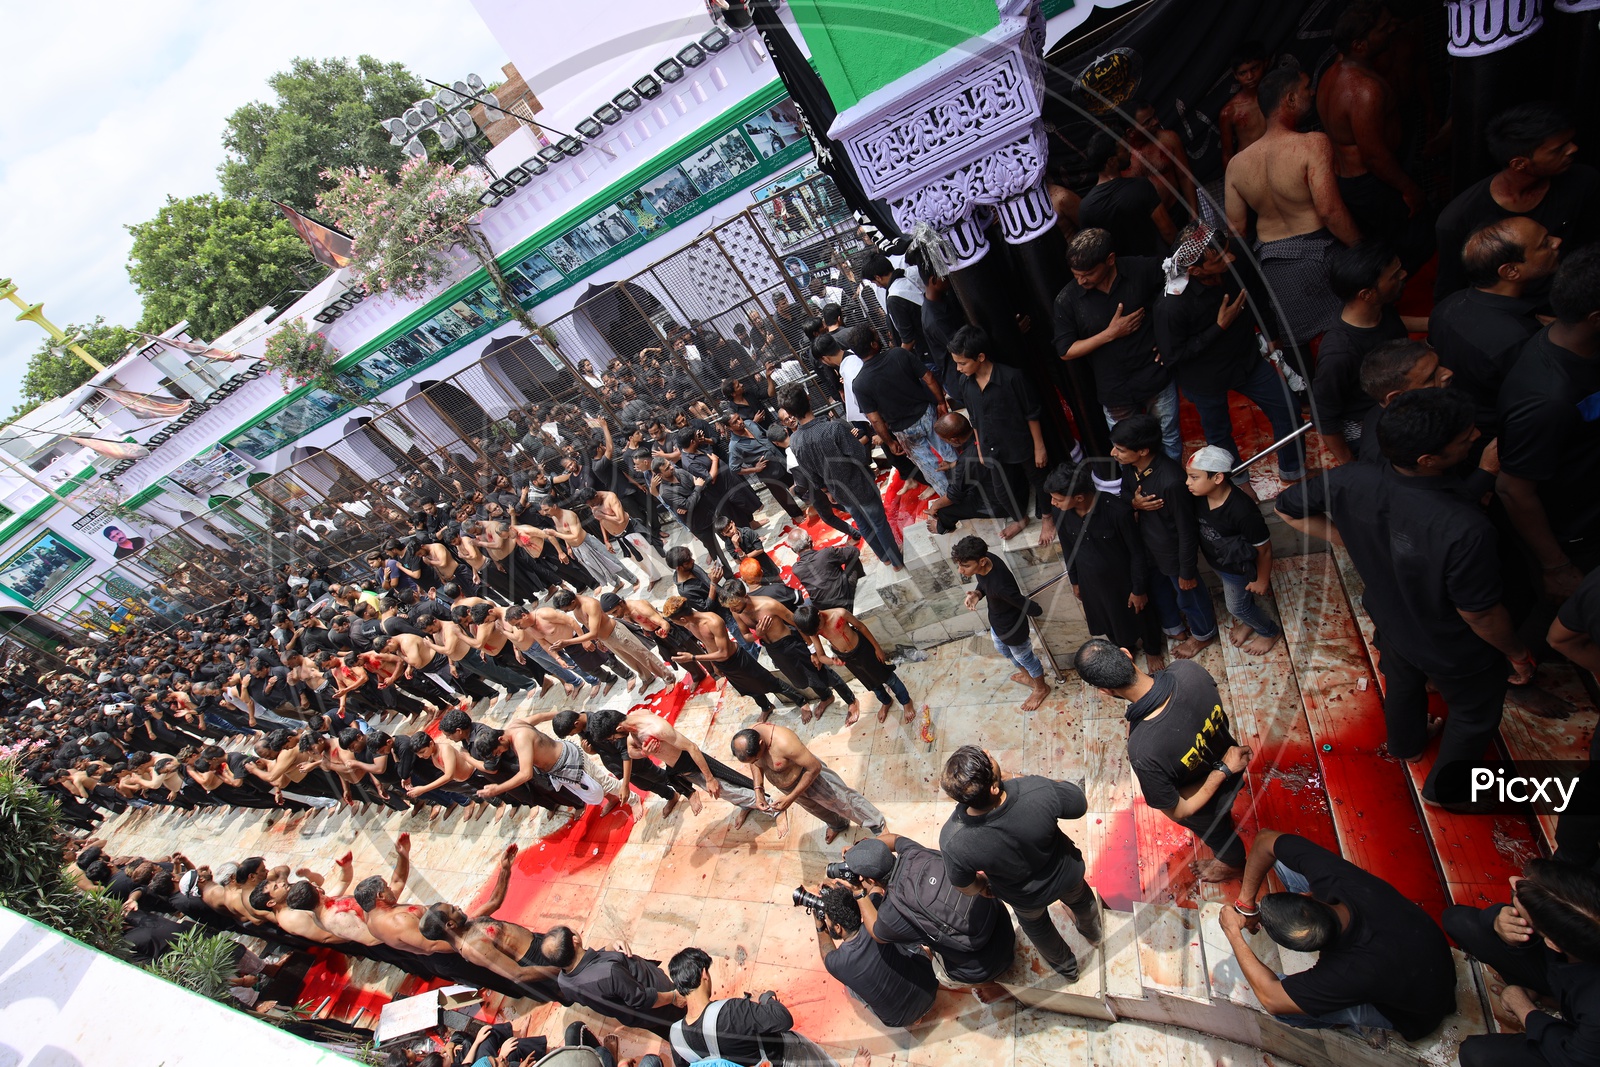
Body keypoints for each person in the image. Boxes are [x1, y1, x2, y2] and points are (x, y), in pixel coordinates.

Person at [1276, 389, 1536, 803]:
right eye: (1464, 438)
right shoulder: (1467, 530)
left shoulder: (1350, 478)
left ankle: (1405, 745)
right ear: (1428, 460)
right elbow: (1480, 614)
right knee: (1472, 717)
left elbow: (1286, 508)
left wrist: (1349, 539)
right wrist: (1518, 653)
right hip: (1454, 648)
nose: (1475, 437)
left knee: (1402, 683)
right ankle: (1442, 791)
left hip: (1391, 622)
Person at [1220, 829, 1456, 1040]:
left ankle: (1346, 1023)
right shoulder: (1335, 878)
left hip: (1419, 1012)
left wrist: (1233, 933)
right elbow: (1265, 840)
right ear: (1308, 896)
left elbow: (1271, 1000)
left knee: (1287, 1012)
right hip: (1428, 949)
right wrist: (1246, 904)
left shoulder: (1346, 972)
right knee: (1282, 859)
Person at [1074, 638, 1252, 881]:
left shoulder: (1144, 748)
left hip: (1207, 801)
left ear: (1105, 691)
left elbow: (1178, 811)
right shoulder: (1188, 670)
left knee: (1219, 835)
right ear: (1127, 654)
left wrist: (1222, 771)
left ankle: (1232, 864)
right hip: (1235, 759)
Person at [1152, 220, 1304, 483]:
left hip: (1246, 360)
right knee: (1219, 434)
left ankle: (1292, 470)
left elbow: (1258, 294)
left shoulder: (1237, 263)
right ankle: (1238, 484)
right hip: (1204, 379)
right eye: (1219, 258)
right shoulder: (1171, 306)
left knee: (1288, 408)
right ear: (1196, 270)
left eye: (1226, 250)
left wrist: (1271, 336)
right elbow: (1174, 356)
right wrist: (1219, 327)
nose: (1230, 257)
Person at [1224, 59, 1359, 351]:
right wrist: (1360, 248)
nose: (1311, 93)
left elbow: (1236, 231)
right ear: (1290, 99)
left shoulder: (1236, 165)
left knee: (1302, 347)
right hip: (1320, 257)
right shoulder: (1313, 144)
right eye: (1306, 88)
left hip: (1272, 264)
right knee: (1349, 331)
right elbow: (1330, 211)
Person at [938, 746, 1100, 981]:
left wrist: (983, 886)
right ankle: (1093, 933)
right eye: (990, 759)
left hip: (1024, 898)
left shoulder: (953, 839)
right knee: (1083, 903)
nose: (990, 755)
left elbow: (965, 884)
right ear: (993, 788)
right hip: (1066, 876)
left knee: (1039, 929)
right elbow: (1078, 803)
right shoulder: (1035, 790)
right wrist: (1016, 779)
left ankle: (1068, 969)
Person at [1496, 246, 1600, 595]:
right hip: (1578, 533)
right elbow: (1513, 489)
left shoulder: (1584, 343)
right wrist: (1556, 565)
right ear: (1596, 317)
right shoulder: (1546, 400)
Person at [1434, 102, 1600, 300]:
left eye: (1570, 141)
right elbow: (1451, 293)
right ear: (1519, 163)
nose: (1573, 149)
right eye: (1558, 149)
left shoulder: (1584, 182)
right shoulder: (1459, 218)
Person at [1446, 859, 1600, 1067]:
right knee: (1459, 921)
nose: (1513, 880)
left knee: (1478, 1055)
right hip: (1564, 973)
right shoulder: (1580, 924)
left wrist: (1523, 1007)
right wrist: (1500, 923)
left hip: (1582, 1047)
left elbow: (1573, 1059)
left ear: (1553, 943)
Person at [1053, 228, 1182, 459]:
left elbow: (1179, 284)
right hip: (1114, 390)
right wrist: (1110, 333)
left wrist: (1170, 339)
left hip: (1155, 376)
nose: (1081, 280)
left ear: (1110, 260)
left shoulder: (1141, 269)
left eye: (1089, 273)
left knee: (1168, 438)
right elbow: (1065, 350)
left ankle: (1173, 492)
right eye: (1076, 274)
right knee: (1125, 449)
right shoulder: (1067, 299)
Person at [1429, 217, 1559, 432]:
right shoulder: (1519, 339)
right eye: (1544, 244)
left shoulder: (1448, 305)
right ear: (1511, 271)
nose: (1557, 242)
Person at [840, 834, 1016, 989]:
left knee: (938, 972)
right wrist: (865, 852)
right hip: (1003, 924)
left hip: (984, 966)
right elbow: (894, 839)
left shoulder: (893, 912)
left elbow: (876, 932)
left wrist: (858, 891)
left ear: (869, 879)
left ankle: (989, 986)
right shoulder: (913, 852)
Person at [1316, 3, 1424, 257]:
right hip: (1373, 184)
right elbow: (1374, 156)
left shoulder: (1331, 75)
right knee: (1406, 251)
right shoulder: (1364, 89)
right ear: (1360, 45)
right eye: (1383, 29)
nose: (1391, 31)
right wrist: (1410, 189)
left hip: (1358, 183)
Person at [1111, 414, 1218, 659]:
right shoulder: (1130, 468)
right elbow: (1124, 492)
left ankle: (1203, 634)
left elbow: (1187, 529)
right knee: (1159, 590)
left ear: (1142, 450)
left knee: (1188, 594)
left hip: (1171, 551)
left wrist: (1187, 570)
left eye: (1120, 449)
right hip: (1147, 546)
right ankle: (1175, 628)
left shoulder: (1171, 481)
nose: (1113, 453)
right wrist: (1134, 502)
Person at [1309, 242, 1425, 464]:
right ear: (1367, 294)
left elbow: (1394, 325)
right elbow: (1324, 416)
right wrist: (1353, 467)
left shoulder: (1380, 307)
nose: (1404, 275)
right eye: (1394, 275)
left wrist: (1438, 321)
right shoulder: (1339, 353)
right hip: (1371, 430)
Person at [1042, 462, 1165, 668]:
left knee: (1141, 615)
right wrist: (1075, 581)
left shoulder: (1116, 511)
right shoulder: (1061, 514)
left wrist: (1138, 588)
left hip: (1124, 581)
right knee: (1109, 619)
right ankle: (1125, 649)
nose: (1053, 503)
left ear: (1079, 497)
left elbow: (1137, 553)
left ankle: (1152, 650)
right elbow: (1068, 548)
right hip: (1091, 582)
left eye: (1057, 499)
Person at [781, 384, 904, 570]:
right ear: (808, 398)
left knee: (863, 524)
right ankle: (896, 561)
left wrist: (825, 490)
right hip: (859, 483)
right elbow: (861, 456)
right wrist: (856, 440)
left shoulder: (796, 442)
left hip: (838, 491)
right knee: (878, 522)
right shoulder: (833, 429)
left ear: (790, 412)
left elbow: (810, 472)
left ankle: (886, 559)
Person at [946, 326, 1052, 539]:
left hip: (1020, 442)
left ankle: (1049, 518)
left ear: (981, 357)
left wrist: (1039, 447)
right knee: (1001, 491)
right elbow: (974, 418)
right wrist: (979, 447)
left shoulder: (1012, 378)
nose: (958, 368)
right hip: (991, 446)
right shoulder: (966, 383)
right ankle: (1020, 519)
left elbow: (1032, 414)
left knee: (1039, 480)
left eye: (962, 363)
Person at [667, 947, 839, 1067]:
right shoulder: (732, 1011)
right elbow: (783, 1019)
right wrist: (765, 998)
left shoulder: (676, 1038)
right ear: (704, 973)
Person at [1184, 446, 1279, 653]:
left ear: (1217, 478)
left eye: (1193, 477)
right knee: (1240, 599)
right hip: (1217, 560)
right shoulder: (1199, 495)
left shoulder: (1243, 511)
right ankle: (1249, 622)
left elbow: (1264, 549)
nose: (1187, 483)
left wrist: (1261, 579)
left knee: (1237, 607)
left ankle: (1269, 631)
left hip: (1238, 568)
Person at [811, 883, 938, 1028]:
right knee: (898, 937)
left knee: (850, 987)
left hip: (898, 1019)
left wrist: (819, 925)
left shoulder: (837, 963)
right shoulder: (877, 917)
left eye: (828, 921)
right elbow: (876, 887)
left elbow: (826, 951)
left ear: (838, 928)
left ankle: (915, 1019)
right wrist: (847, 892)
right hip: (930, 987)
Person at [730, 723, 885, 842]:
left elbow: (814, 768)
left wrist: (790, 798)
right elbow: (754, 763)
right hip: (789, 788)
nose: (756, 762)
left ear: (762, 744)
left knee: (844, 801)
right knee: (817, 809)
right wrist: (758, 790)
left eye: (756, 758)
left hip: (814, 779)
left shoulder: (784, 743)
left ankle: (878, 827)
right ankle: (838, 824)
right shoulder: (749, 737)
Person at [664, 596, 807, 723]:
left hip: (737, 660)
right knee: (748, 688)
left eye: (676, 622)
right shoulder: (689, 624)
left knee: (771, 682)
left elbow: (724, 653)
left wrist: (694, 657)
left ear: (682, 619)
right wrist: (715, 665)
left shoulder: (712, 621)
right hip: (722, 663)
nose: (676, 624)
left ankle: (801, 702)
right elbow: (708, 644)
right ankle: (766, 707)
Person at [722, 591, 858, 724]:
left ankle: (851, 700)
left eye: (735, 605)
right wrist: (758, 634)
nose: (733, 609)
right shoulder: (736, 612)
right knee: (802, 678)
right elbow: (746, 637)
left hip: (791, 644)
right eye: (731, 607)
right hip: (774, 650)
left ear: (745, 596)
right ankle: (826, 696)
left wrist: (812, 651)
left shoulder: (769, 604)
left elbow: (798, 623)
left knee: (822, 673)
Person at [950, 536, 1050, 712]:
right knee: (1003, 650)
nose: (961, 570)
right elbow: (984, 584)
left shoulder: (1001, 586)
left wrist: (1038, 610)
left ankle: (1041, 688)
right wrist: (977, 594)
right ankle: (1028, 677)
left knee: (1024, 658)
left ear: (981, 561)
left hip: (1013, 629)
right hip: (998, 623)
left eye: (965, 566)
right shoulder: (988, 559)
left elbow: (1024, 603)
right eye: (960, 565)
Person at [849, 329, 951, 497]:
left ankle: (951, 499)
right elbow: (929, 378)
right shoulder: (899, 354)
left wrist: (889, 442)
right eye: (876, 337)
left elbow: (874, 420)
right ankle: (968, 488)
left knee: (930, 468)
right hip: (927, 415)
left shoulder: (859, 383)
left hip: (903, 430)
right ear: (873, 345)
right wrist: (940, 402)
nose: (879, 337)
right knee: (949, 452)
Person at [540, 926, 686, 1040]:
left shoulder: (563, 981)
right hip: (661, 1004)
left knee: (667, 1030)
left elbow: (587, 970)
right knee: (690, 1025)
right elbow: (642, 999)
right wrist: (673, 997)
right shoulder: (610, 972)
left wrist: (608, 949)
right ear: (575, 940)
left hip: (636, 1017)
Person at [792, 603, 917, 727]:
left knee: (888, 677)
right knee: (871, 682)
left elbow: (861, 627)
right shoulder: (814, 628)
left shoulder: (839, 613)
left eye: (818, 628)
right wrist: (832, 661)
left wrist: (877, 648)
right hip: (847, 658)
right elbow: (821, 656)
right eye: (816, 631)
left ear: (819, 614)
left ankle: (906, 701)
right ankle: (886, 701)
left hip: (863, 650)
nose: (819, 631)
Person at [547, 588, 675, 689]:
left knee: (643, 656)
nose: (566, 612)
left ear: (573, 602)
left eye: (566, 609)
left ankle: (668, 677)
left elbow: (592, 632)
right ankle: (647, 678)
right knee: (630, 660)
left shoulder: (590, 604)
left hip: (617, 633)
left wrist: (567, 642)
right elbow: (590, 627)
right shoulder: (576, 610)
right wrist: (599, 641)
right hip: (606, 639)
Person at [1078, 131, 1175, 257]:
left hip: (1125, 274)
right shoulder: (1141, 186)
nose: (1130, 151)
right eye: (1124, 149)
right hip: (1158, 266)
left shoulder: (1085, 207)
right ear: (1111, 161)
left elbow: (1094, 252)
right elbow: (1167, 231)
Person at [923, 412, 1006, 534]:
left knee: (944, 509)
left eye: (945, 440)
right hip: (1007, 486)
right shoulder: (983, 434)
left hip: (999, 504)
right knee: (952, 474)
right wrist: (952, 465)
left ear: (954, 439)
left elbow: (952, 497)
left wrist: (935, 506)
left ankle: (943, 528)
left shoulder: (967, 460)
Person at [725, 411, 805, 520]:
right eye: (735, 422)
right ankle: (796, 515)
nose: (740, 422)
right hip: (769, 472)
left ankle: (811, 502)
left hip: (781, 459)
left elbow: (767, 434)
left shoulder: (750, 423)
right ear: (729, 427)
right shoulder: (734, 445)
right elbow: (734, 468)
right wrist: (755, 469)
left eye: (739, 418)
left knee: (799, 483)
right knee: (783, 496)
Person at [784, 527, 863, 612]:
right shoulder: (826, 554)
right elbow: (855, 551)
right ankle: (862, 584)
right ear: (810, 540)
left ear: (793, 550)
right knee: (853, 558)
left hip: (823, 607)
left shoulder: (796, 568)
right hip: (844, 600)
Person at [1218, 41, 1268, 166]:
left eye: (1254, 68)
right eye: (1243, 73)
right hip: (1250, 168)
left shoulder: (1279, 95)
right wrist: (1232, 183)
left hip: (1281, 159)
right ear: (1235, 75)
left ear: (1265, 64)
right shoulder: (1230, 111)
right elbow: (1227, 154)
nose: (1250, 76)